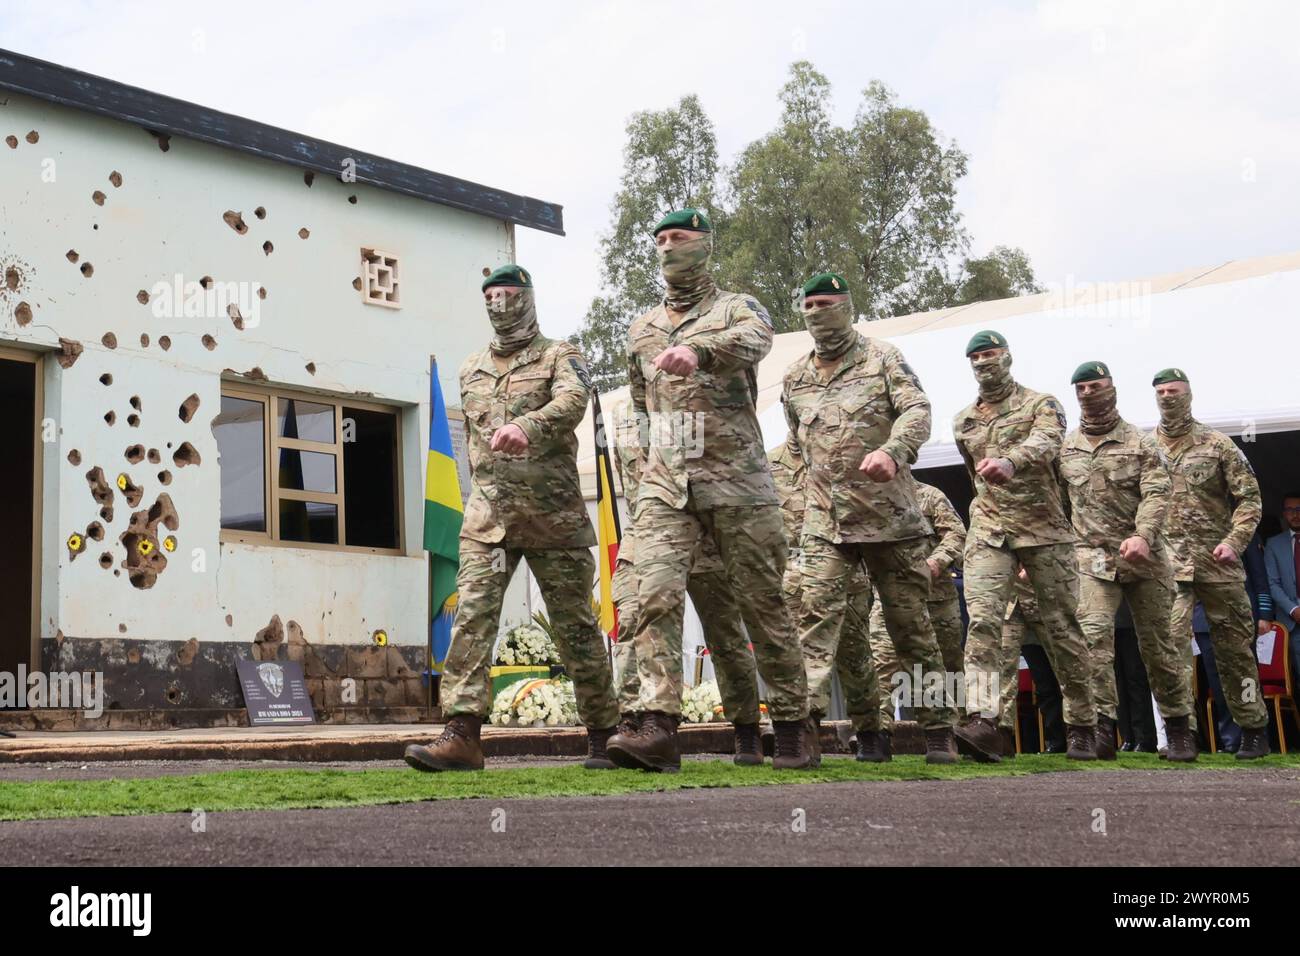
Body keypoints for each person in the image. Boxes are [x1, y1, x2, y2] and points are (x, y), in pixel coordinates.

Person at [608, 209, 813, 772]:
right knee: (652, 595)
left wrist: (701, 351)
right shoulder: (641, 329)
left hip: (737, 482)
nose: (669, 248)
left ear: (705, 246)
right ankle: (657, 727)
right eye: (662, 240)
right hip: (667, 486)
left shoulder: (736, 308)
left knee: (763, 604)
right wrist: (649, 465)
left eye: (681, 238)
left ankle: (794, 726)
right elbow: (643, 405)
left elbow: (757, 339)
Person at [405, 265, 618, 772]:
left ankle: (604, 733)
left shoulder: (559, 355)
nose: (499, 303)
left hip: (552, 516)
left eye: (508, 294)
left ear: (527, 297)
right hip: (489, 519)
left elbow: (573, 401)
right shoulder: (471, 368)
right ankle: (462, 734)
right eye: (491, 296)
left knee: (575, 627)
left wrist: (528, 425)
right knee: (473, 619)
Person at [781, 272, 958, 764]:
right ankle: (803, 729)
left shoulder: (883, 358)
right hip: (826, 524)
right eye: (809, 304)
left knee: (910, 629)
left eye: (826, 303)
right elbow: (798, 448)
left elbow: (917, 409)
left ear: (847, 306)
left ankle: (938, 730)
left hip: (890, 521)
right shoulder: (794, 377)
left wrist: (894, 449)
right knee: (815, 619)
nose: (817, 313)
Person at [951, 330, 1097, 762]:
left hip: (1044, 529)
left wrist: (1011, 462)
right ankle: (983, 722)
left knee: (1062, 627)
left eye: (990, 354)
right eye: (976, 356)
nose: (983, 362)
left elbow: (1049, 442)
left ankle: (1084, 724)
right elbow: (972, 475)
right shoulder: (964, 421)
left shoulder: (1042, 404)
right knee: (982, 622)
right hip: (990, 529)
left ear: (1008, 357)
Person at [1059, 361, 1196, 760]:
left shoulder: (1142, 442)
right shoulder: (1066, 448)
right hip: (1092, 559)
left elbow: (1157, 493)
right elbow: (1059, 504)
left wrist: (1143, 535)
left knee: (1160, 646)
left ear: (1112, 388)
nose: (1088, 394)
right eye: (1081, 388)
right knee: (1092, 639)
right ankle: (1100, 728)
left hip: (1145, 558)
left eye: (1095, 386)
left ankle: (1179, 728)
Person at [611, 409, 765, 766]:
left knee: (725, 635)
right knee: (636, 626)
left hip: (705, 540)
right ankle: (639, 724)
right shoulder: (623, 421)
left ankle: (746, 729)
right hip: (648, 540)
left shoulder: (702, 409)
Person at [1152, 367, 1271, 758]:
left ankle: (1253, 730)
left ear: (1189, 394)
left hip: (1219, 566)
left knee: (1235, 651)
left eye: (1174, 391)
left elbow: (1250, 500)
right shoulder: (1143, 447)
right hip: (1169, 569)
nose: (1168, 398)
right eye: (1161, 392)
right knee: (1170, 651)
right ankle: (1181, 734)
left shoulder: (1218, 444)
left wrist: (1234, 542)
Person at [769, 444, 880, 760]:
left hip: (845, 573)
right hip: (792, 579)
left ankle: (871, 733)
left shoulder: (844, 457)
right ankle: (802, 732)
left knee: (855, 659)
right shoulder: (767, 464)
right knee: (795, 656)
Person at [1265, 496, 1300, 691]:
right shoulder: (1273, 544)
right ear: (1284, 514)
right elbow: (1272, 583)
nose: (1295, 514)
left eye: (1299, 509)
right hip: (1291, 621)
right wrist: (1293, 609)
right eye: (1290, 510)